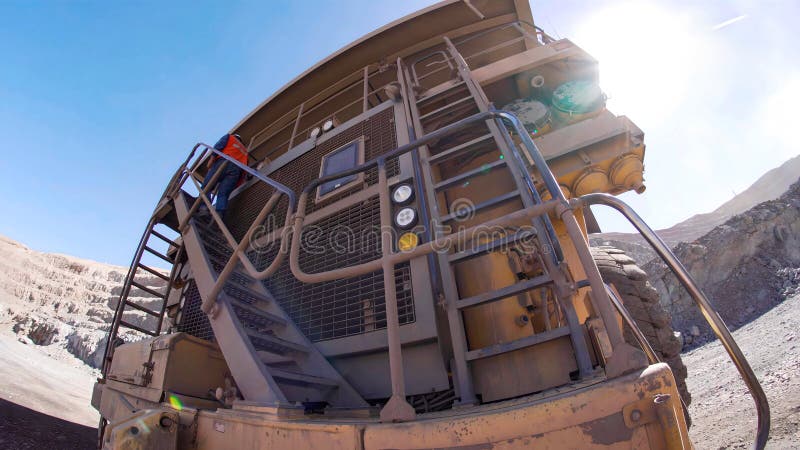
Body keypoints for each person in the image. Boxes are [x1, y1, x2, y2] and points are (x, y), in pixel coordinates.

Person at [200, 133, 248, 219]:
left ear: (235, 136)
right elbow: (245, 168)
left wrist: (211, 160)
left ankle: (204, 208)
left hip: (223, 162)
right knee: (223, 193)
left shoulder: (229, 137)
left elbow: (218, 147)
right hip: (236, 170)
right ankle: (219, 214)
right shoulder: (245, 150)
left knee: (207, 186)